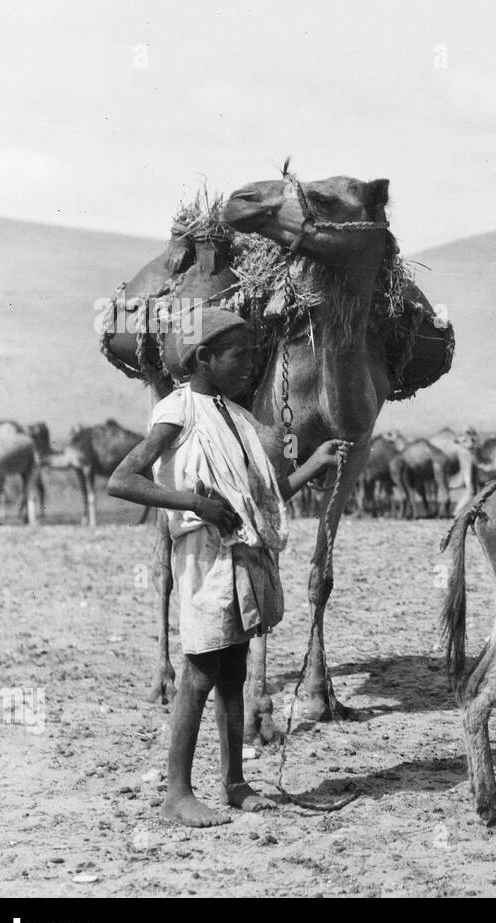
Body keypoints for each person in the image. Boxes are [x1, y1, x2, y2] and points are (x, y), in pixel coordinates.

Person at [108, 308, 349, 827]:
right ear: (203, 358)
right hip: (204, 555)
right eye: (239, 355)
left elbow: (264, 496)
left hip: (243, 552)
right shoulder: (180, 410)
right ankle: (176, 793)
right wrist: (191, 504)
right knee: (200, 670)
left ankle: (234, 782)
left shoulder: (238, 419)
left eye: (253, 354)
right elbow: (121, 481)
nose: (250, 364)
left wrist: (315, 463)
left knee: (235, 669)